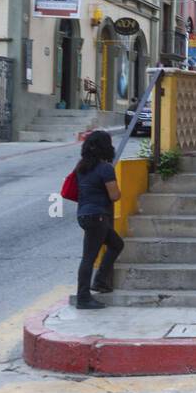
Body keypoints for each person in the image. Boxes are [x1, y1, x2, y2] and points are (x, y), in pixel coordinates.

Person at [73, 130, 123, 310]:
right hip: (98, 216)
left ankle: (100, 281)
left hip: (84, 214)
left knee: (117, 244)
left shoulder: (82, 166)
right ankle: (83, 297)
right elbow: (115, 195)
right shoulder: (105, 168)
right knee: (88, 258)